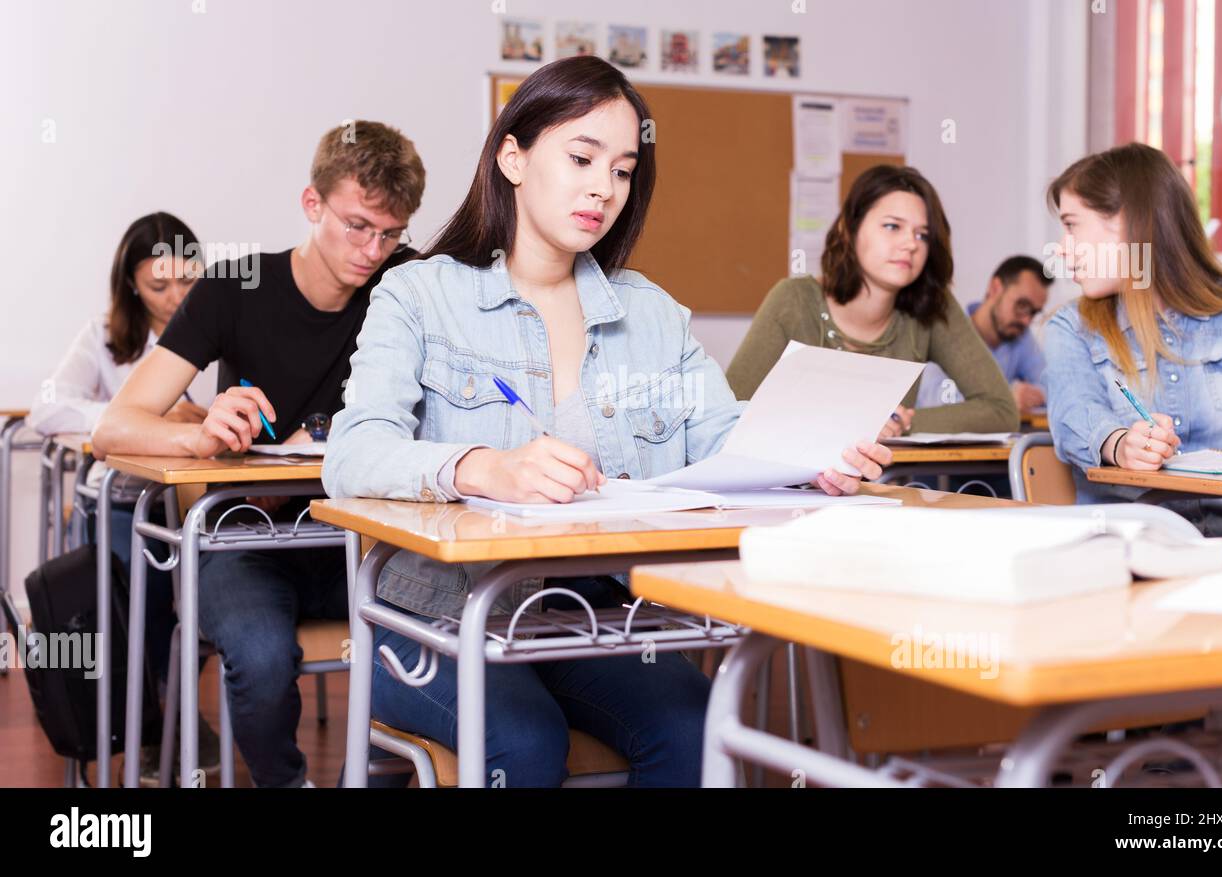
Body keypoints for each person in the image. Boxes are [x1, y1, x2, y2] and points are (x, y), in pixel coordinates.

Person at [322, 56, 894, 787]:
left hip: (587, 613)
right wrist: (483, 467)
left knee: (697, 726)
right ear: (513, 157)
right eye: (582, 157)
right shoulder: (419, 294)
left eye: (623, 171)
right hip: (434, 618)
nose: (604, 187)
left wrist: (812, 454)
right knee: (525, 741)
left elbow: (727, 439)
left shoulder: (650, 312)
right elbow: (353, 453)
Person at [93, 121, 426, 787]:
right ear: (312, 205)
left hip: (359, 539)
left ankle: (375, 774)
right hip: (243, 538)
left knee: (438, 629)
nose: (372, 250)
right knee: (263, 656)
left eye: (390, 233)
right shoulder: (235, 287)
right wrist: (202, 434)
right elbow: (115, 427)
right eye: (357, 226)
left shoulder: (405, 283)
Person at [30, 212, 218, 783]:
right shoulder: (105, 337)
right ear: (130, 283)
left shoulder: (217, 326)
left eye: (187, 281)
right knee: (137, 597)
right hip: (118, 505)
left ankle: (175, 708)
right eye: (158, 286)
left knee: (218, 595)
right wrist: (138, 416)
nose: (175, 297)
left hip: (197, 502)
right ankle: (160, 721)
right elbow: (47, 409)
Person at [1043, 142, 1222, 536]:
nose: (1062, 249)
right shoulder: (1070, 327)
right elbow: (1073, 415)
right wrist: (1120, 444)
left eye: (1072, 224)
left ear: (1130, 219)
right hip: (1122, 548)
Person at [726, 164, 1018, 440]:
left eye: (922, 235)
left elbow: (1000, 410)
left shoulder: (931, 304)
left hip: (891, 487)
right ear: (848, 229)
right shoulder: (793, 300)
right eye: (892, 227)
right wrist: (843, 427)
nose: (911, 244)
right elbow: (728, 415)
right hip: (788, 488)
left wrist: (901, 423)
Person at [916, 255, 1052, 414]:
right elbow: (934, 399)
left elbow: (1053, 385)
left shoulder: (1020, 336)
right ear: (995, 288)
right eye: (1022, 305)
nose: (1027, 320)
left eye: (1034, 312)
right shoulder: (946, 331)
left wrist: (1033, 394)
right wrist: (1006, 397)